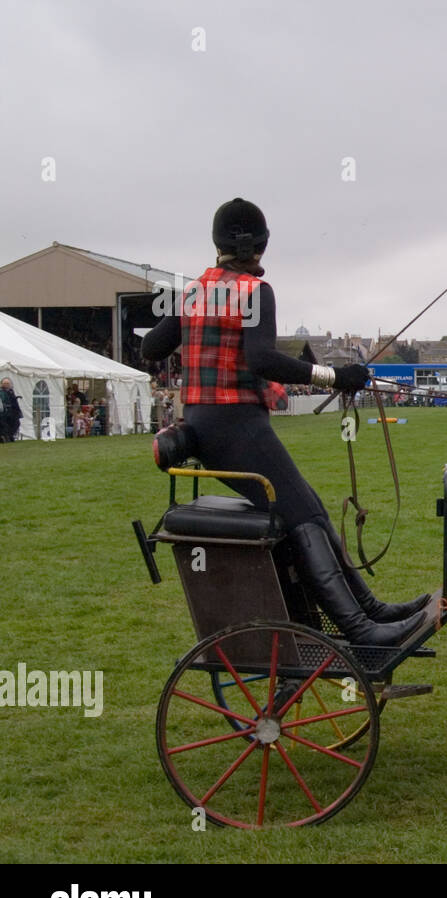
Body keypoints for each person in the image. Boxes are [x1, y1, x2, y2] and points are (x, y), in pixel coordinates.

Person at [142, 198, 428, 646]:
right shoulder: (256, 292)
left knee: (307, 503)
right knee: (306, 514)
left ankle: (370, 609)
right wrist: (334, 375)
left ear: (217, 243)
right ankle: (361, 629)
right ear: (261, 245)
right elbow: (261, 360)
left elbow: (151, 350)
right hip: (238, 426)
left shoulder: (194, 292)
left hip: (201, 425)